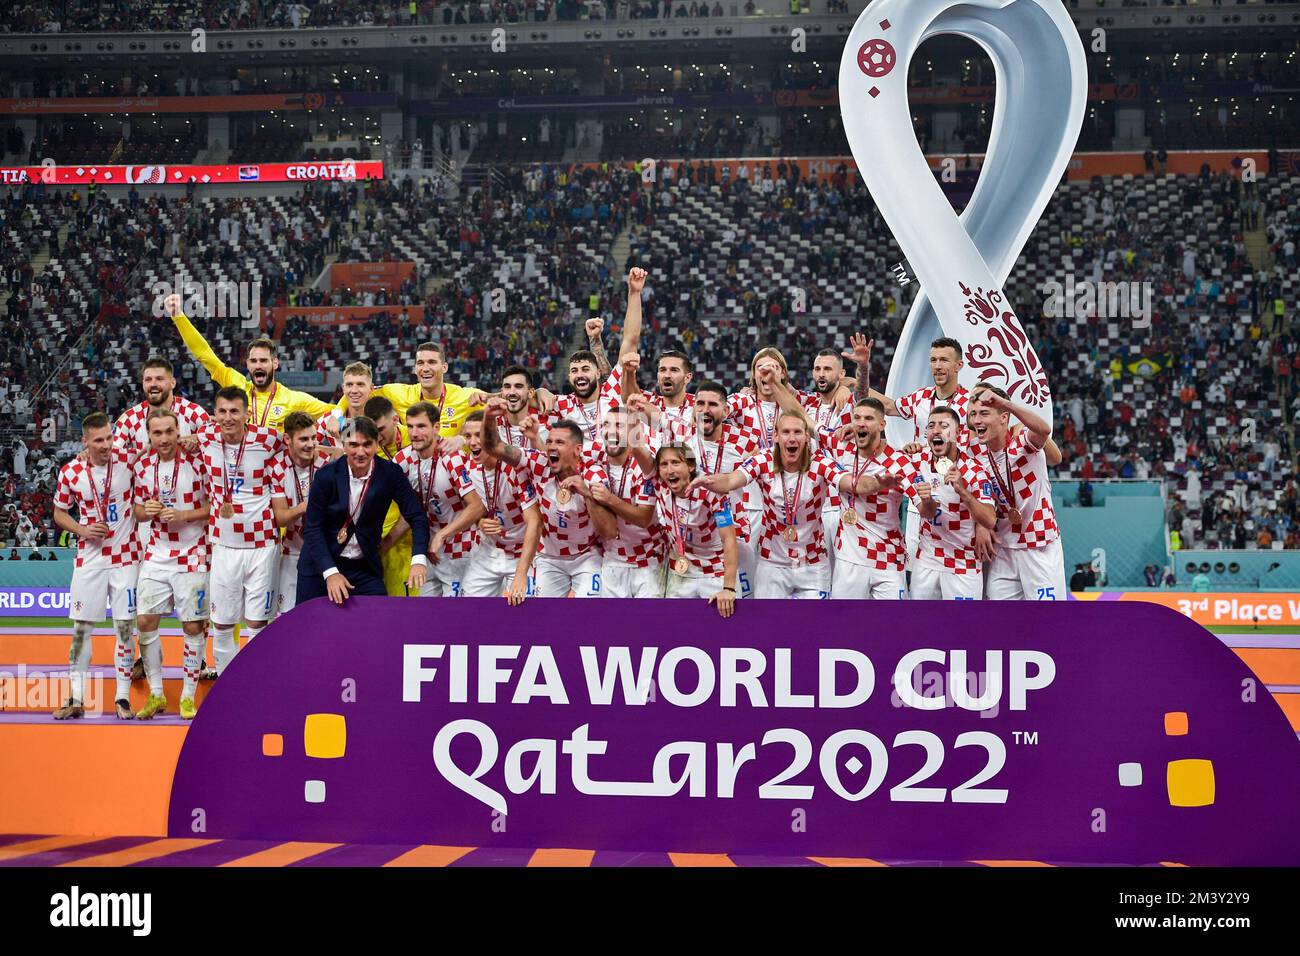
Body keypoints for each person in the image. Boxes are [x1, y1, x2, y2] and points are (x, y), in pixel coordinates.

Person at [693, 409, 845, 599]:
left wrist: (872, 483)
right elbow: (731, 480)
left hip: (813, 564)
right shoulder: (763, 460)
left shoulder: (821, 463)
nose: (791, 438)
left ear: (807, 437)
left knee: (814, 626)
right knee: (769, 626)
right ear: (775, 436)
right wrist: (704, 481)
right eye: (786, 432)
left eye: (797, 432)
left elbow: (847, 481)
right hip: (771, 563)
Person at [52, 412, 140, 720]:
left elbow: (161, 444)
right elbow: (59, 513)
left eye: (109, 437)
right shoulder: (71, 472)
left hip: (126, 557)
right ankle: (76, 696)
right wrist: (82, 530)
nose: (106, 445)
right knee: (81, 629)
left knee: (126, 629)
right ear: (85, 441)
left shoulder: (128, 460)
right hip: (89, 558)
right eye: (98, 440)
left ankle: (123, 697)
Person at [193, 386, 283, 680]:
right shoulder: (206, 438)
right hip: (224, 545)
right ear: (214, 414)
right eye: (222, 411)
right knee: (221, 622)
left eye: (235, 411)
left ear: (246, 413)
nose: (228, 418)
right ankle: (226, 684)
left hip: (263, 545)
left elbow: (301, 444)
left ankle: (256, 684)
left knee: (257, 623)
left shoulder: (267, 439)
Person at [297, 416, 430, 605]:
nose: (360, 452)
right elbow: (312, 528)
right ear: (343, 445)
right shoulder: (325, 476)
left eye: (367, 444)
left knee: (377, 626)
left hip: (364, 568)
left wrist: (418, 559)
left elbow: (416, 516)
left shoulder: (390, 473)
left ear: (377, 444)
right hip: (320, 567)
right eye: (353, 445)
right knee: (312, 630)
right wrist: (331, 573)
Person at [481, 399, 608, 598]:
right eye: (548, 441)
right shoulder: (539, 464)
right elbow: (493, 447)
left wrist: (588, 495)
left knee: (587, 614)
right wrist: (488, 417)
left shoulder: (594, 475)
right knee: (544, 617)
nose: (551, 447)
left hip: (586, 555)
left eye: (559, 442)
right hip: (548, 557)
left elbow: (608, 530)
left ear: (577, 450)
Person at [131, 407, 210, 720]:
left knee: (192, 625)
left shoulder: (198, 462)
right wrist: (147, 511)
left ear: (179, 433)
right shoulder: (143, 467)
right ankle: (157, 694)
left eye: (169, 432)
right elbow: (136, 511)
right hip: (156, 554)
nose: (164, 438)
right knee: (145, 622)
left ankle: (188, 697)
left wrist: (183, 516)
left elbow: (215, 506)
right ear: (149, 436)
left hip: (193, 553)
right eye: (157, 433)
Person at [870, 337, 970, 574]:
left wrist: (923, 449)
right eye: (933, 360)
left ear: (959, 365)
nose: (937, 365)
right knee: (917, 571)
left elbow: (970, 450)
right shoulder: (920, 398)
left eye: (944, 359)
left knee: (957, 570)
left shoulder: (970, 405)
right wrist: (859, 380)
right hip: (921, 496)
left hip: (955, 499)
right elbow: (888, 406)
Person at [166, 293, 336, 430]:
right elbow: (204, 354)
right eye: (253, 361)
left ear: (275, 363)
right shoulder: (237, 385)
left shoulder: (294, 400)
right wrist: (179, 317)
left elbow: (336, 412)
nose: (258, 365)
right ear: (247, 364)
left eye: (263, 360)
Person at [968, 384, 1067, 601]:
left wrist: (1005, 404)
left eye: (984, 413)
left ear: (1004, 417)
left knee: (1048, 622)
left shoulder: (1022, 441)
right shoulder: (975, 454)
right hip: (1003, 549)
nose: (977, 421)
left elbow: (1043, 430)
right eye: (973, 414)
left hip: (1038, 544)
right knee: (1002, 622)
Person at [825, 398, 922, 599]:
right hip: (849, 559)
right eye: (857, 418)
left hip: (888, 559)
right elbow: (804, 422)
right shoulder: (840, 447)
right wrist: (776, 384)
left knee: (893, 626)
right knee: (846, 625)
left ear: (882, 424)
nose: (861, 422)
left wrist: (928, 500)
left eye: (869, 418)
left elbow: (924, 507)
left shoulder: (900, 462)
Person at [388, 401, 486, 597]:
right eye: (410, 426)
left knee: (457, 619)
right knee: (428, 616)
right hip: (430, 553)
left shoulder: (452, 457)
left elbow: (477, 507)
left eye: (421, 426)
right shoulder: (402, 460)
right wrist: (386, 542)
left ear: (436, 427)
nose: (414, 433)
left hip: (462, 551)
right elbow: (411, 512)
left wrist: (442, 535)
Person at [909, 407, 997, 600]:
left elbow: (990, 519)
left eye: (944, 425)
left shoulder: (974, 470)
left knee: (963, 629)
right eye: (931, 426)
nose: (936, 430)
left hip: (963, 562)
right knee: (920, 626)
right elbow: (881, 452)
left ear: (958, 433)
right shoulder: (916, 460)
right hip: (927, 560)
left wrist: (964, 492)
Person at [459, 410, 541, 604]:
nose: (472, 442)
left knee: (523, 614)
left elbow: (535, 521)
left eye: (478, 435)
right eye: (467, 436)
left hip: (523, 553)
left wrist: (521, 573)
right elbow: (468, 503)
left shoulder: (514, 468)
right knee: (468, 610)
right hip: (489, 550)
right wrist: (479, 521)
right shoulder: (466, 468)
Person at [651, 443, 738, 617]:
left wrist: (728, 588)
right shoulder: (661, 488)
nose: (669, 470)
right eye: (664, 464)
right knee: (675, 637)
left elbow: (729, 539)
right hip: (681, 576)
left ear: (691, 466)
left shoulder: (711, 492)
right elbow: (639, 452)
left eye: (676, 463)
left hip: (715, 575)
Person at [588, 404, 662, 598]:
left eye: (619, 426)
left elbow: (644, 518)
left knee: (648, 626)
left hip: (648, 562)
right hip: (612, 560)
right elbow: (563, 450)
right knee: (612, 627)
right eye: (606, 424)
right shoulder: (594, 459)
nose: (611, 431)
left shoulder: (644, 467)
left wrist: (610, 499)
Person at [269, 411, 334, 617]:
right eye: (304, 439)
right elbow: (280, 517)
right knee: (287, 616)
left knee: (325, 615)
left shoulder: (328, 463)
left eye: (314, 438)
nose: (311, 444)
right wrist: (305, 506)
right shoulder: (276, 467)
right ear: (287, 439)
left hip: (326, 551)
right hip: (291, 551)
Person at [352, 341, 487, 439]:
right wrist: (337, 413)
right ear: (415, 369)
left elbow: (503, 397)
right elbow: (357, 391)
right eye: (420, 363)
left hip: (454, 471)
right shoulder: (400, 394)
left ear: (444, 367)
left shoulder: (466, 396)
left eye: (432, 362)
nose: (426, 368)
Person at [112, 356, 212, 455]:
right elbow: (112, 452)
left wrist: (199, 438)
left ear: (173, 383)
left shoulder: (193, 412)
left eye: (159, 379)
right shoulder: (129, 418)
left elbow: (216, 440)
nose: (153, 384)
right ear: (142, 384)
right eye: (148, 380)